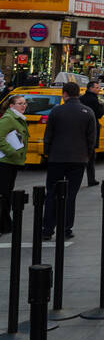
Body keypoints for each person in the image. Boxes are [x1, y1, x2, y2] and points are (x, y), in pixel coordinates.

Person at [41, 81, 96, 243]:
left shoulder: (56, 111)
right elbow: (91, 139)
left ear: (64, 94)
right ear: (78, 93)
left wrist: (47, 154)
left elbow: (48, 136)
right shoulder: (88, 112)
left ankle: (47, 229)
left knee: (52, 193)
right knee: (71, 195)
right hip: (78, 159)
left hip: (57, 158)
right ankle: (66, 227)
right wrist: (86, 155)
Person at [0, 93, 29, 234]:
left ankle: (5, 222)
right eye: (20, 103)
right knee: (4, 193)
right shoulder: (8, 118)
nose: (23, 106)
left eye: (24, 103)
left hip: (11, 161)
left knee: (7, 193)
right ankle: (4, 224)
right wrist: (12, 152)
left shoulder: (17, 118)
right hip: (5, 161)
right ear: (12, 106)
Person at [81, 78, 104, 187]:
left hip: (81, 129)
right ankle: (91, 179)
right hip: (91, 128)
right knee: (90, 156)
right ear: (90, 88)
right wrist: (101, 106)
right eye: (97, 88)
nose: (99, 89)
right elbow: (99, 114)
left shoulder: (81, 98)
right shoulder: (94, 100)